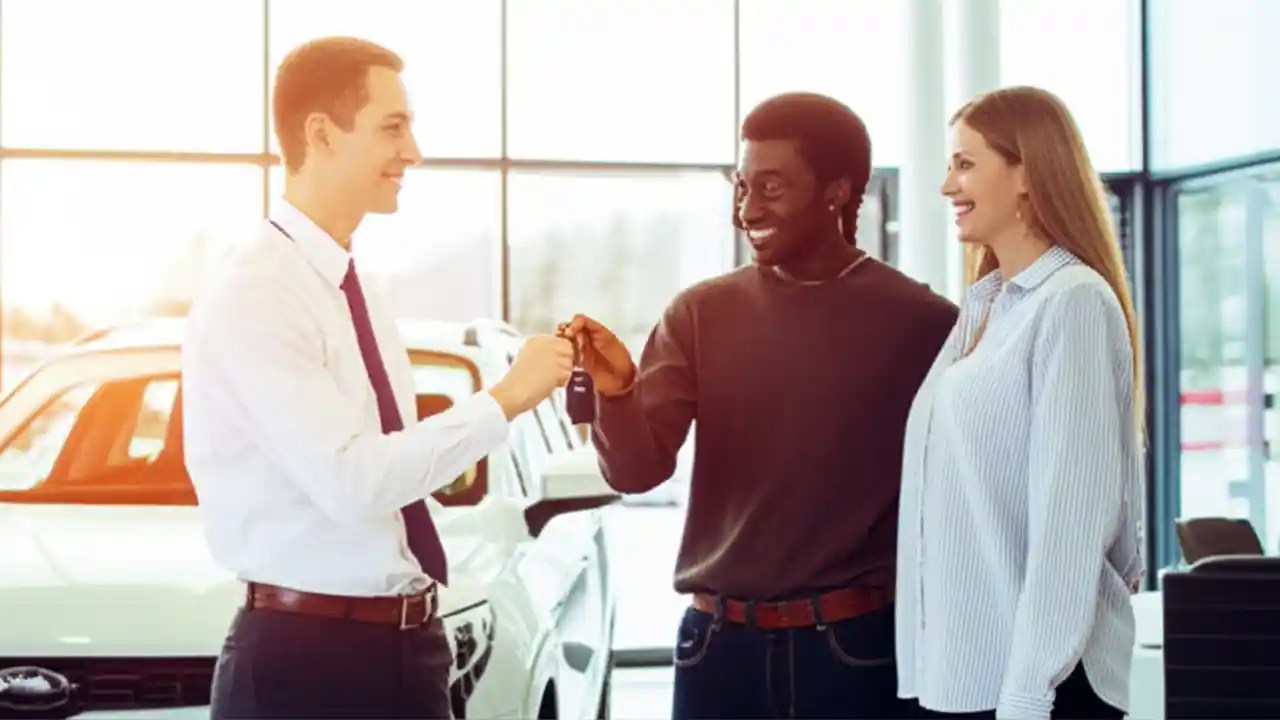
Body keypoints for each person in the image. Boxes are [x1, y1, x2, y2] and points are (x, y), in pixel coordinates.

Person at [182, 37, 573, 719]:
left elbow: (391, 467)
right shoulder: (257, 291)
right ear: (321, 135)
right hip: (305, 669)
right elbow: (354, 480)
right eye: (393, 127)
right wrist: (506, 398)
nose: (414, 152)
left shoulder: (354, 285)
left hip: (401, 651)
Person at [563, 92, 958, 719]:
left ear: (837, 191)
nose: (747, 209)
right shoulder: (700, 312)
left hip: (856, 653)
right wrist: (615, 393)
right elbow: (637, 472)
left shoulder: (923, 323)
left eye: (771, 187)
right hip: (718, 652)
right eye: (742, 187)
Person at [894, 85, 1145, 720]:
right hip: (967, 678)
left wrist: (1029, 696)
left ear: (1028, 172)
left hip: (1037, 692)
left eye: (966, 163)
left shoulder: (1072, 303)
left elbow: (1072, 520)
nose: (947, 185)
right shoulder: (985, 306)